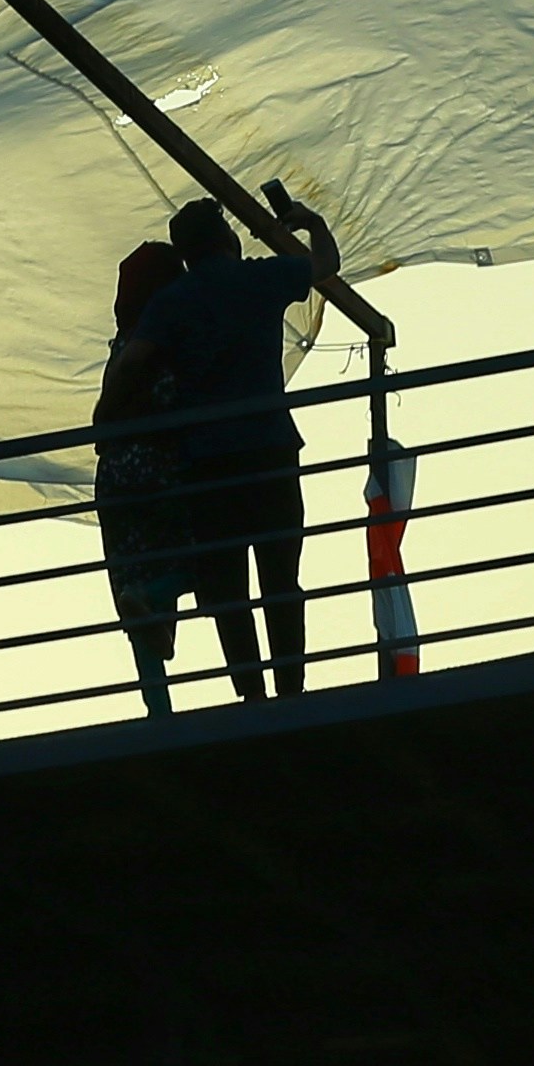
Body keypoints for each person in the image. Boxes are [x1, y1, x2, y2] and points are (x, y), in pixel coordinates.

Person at [135, 179, 393, 701]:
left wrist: (106, 417)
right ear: (227, 240)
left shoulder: (172, 301)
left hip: (206, 461)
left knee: (226, 588)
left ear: (185, 254)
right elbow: (326, 264)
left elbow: (134, 364)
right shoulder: (261, 278)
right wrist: (310, 223)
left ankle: (250, 695)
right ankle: (290, 688)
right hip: (270, 447)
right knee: (281, 578)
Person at [90, 236, 193, 716]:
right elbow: (172, 396)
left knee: (132, 585)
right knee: (206, 557)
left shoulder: (122, 344)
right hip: (159, 466)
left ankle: (157, 706)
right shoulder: (170, 338)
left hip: (114, 474)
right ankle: (154, 593)